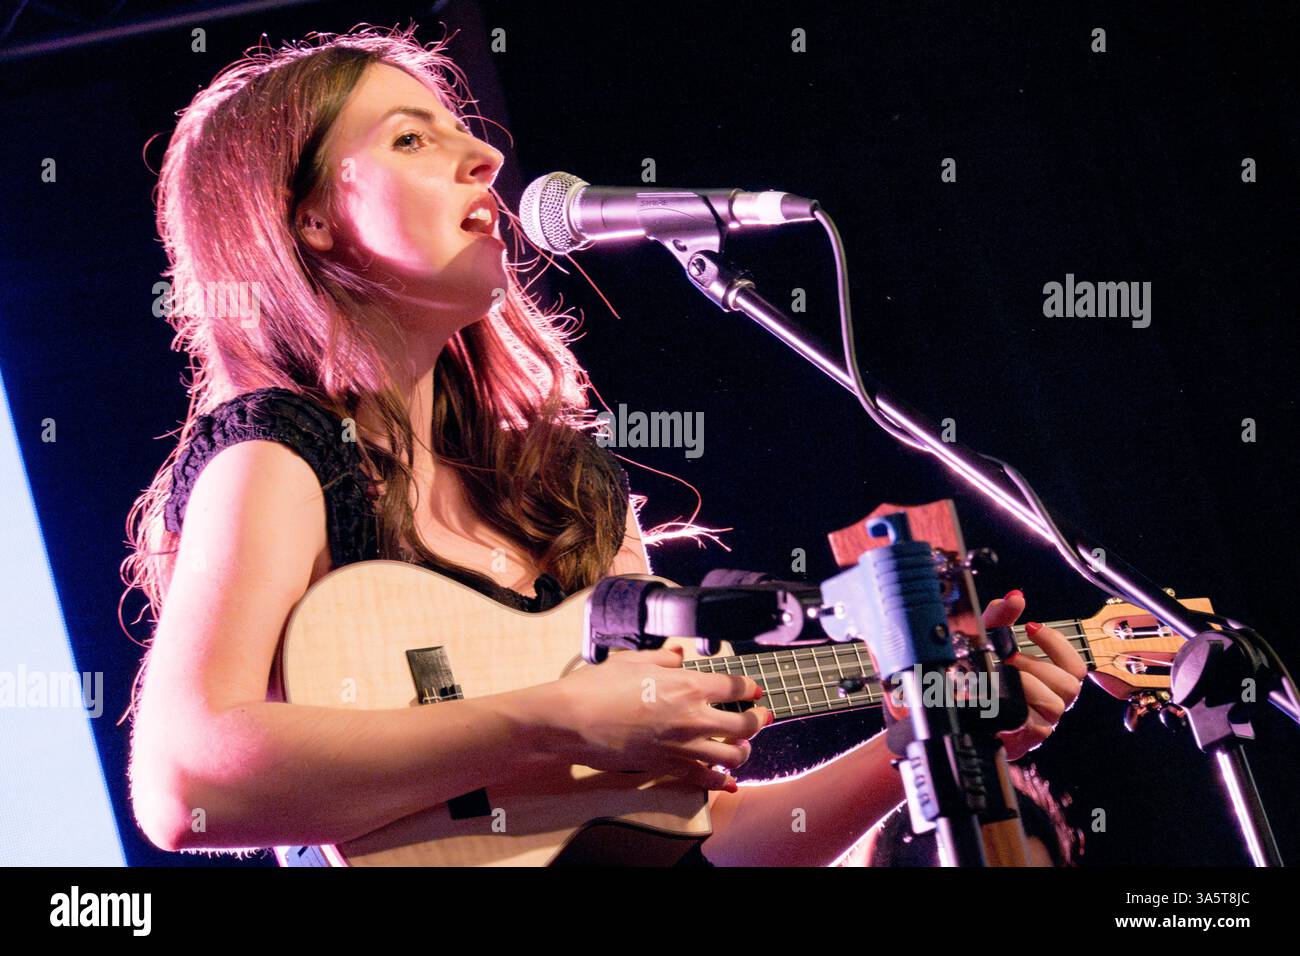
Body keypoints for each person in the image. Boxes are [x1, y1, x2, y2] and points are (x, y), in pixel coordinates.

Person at [122, 25, 1088, 867]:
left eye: (464, 130)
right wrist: (548, 722)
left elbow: (702, 848)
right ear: (308, 218)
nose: (485, 160)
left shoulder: (567, 484)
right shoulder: (280, 453)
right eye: (412, 140)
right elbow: (183, 781)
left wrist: (930, 731)